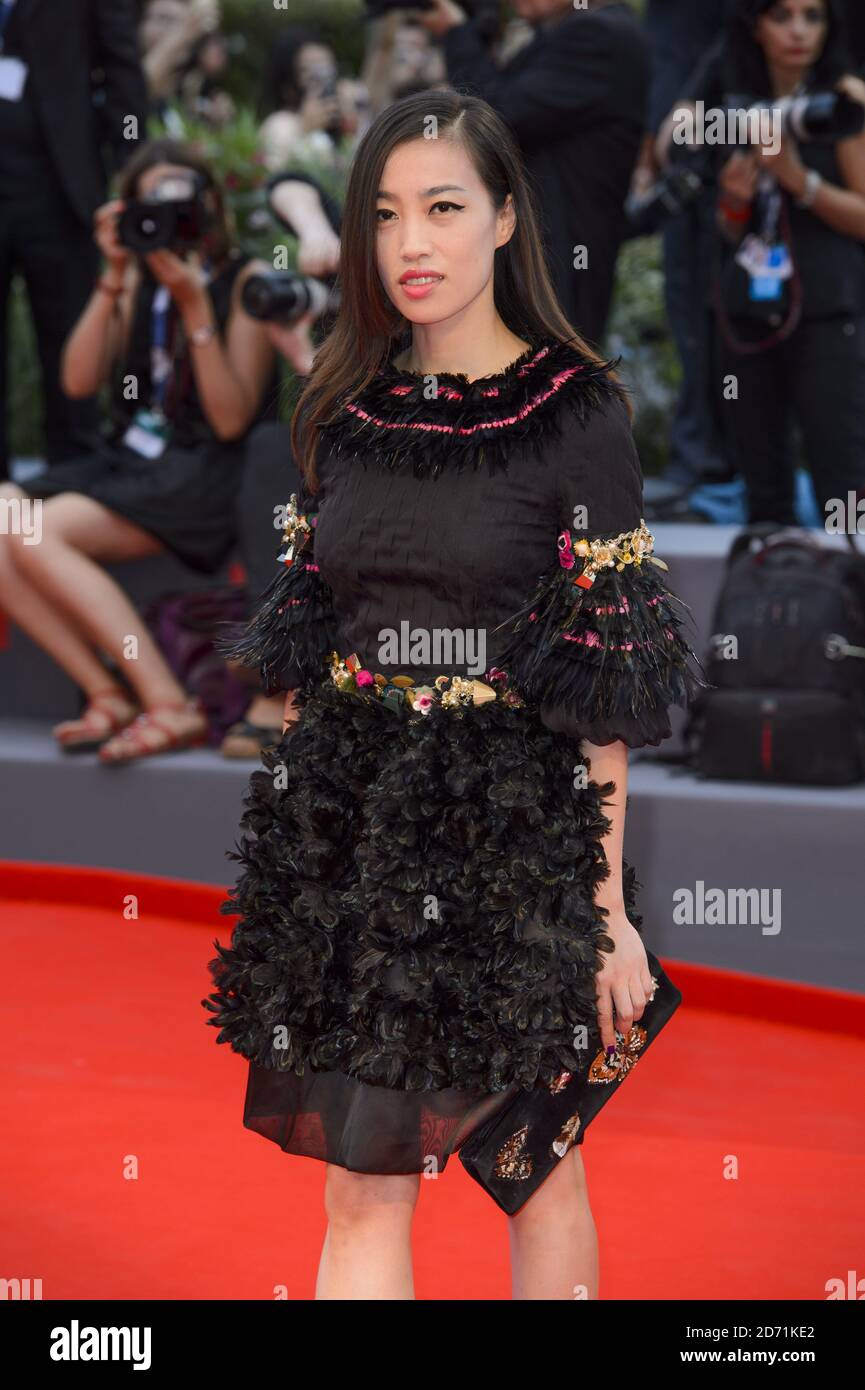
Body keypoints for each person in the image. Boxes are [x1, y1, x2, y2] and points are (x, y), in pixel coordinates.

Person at [202, 87, 706, 1300]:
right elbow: (313, 656)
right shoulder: (342, 411)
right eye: (384, 215)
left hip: (521, 839)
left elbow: (603, 683)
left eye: (441, 208)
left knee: (539, 1168)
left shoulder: (576, 416)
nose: (411, 243)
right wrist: (302, 868)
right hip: (360, 843)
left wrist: (603, 912)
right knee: (359, 1182)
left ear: (500, 221)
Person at [0, 138, 278, 762]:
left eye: (180, 199)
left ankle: (167, 702)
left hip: (205, 471)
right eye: (147, 205)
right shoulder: (137, 281)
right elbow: (75, 382)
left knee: (36, 530)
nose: (165, 219)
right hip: (133, 462)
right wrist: (114, 275)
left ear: (211, 207)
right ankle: (108, 692)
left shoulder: (244, 283)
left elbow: (231, 419)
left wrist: (193, 304)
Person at [658, 0, 865, 526]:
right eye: (783, 16)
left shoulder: (844, 102)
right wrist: (732, 203)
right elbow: (723, 216)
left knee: (843, 488)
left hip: (827, 313)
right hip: (747, 313)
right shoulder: (733, 107)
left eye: (813, 16)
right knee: (763, 491)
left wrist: (801, 181)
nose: (798, 31)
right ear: (755, 26)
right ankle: (774, 597)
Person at [417, 0, 650, 347]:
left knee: (547, 387)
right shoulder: (568, 33)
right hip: (546, 257)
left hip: (559, 263)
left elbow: (493, 117)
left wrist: (456, 35)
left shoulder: (597, 36)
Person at [0, 0, 149, 482]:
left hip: (59, 183)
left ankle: (73, 486)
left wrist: (135, 175)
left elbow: (121, 62)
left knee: (68, 330)